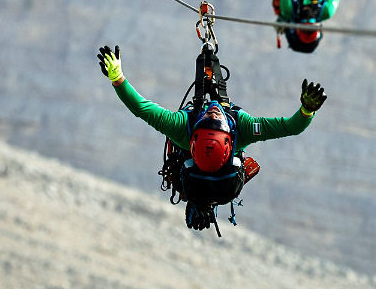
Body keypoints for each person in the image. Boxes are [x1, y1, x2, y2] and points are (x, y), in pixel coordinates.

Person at [96, 44, 327, 231]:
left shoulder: (181, 129)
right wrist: (307, 110)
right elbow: (291, 127)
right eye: (212, 115)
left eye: (210, 115)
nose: (213, 108)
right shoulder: (242, 128)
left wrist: (117, 77)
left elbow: (141, 108)